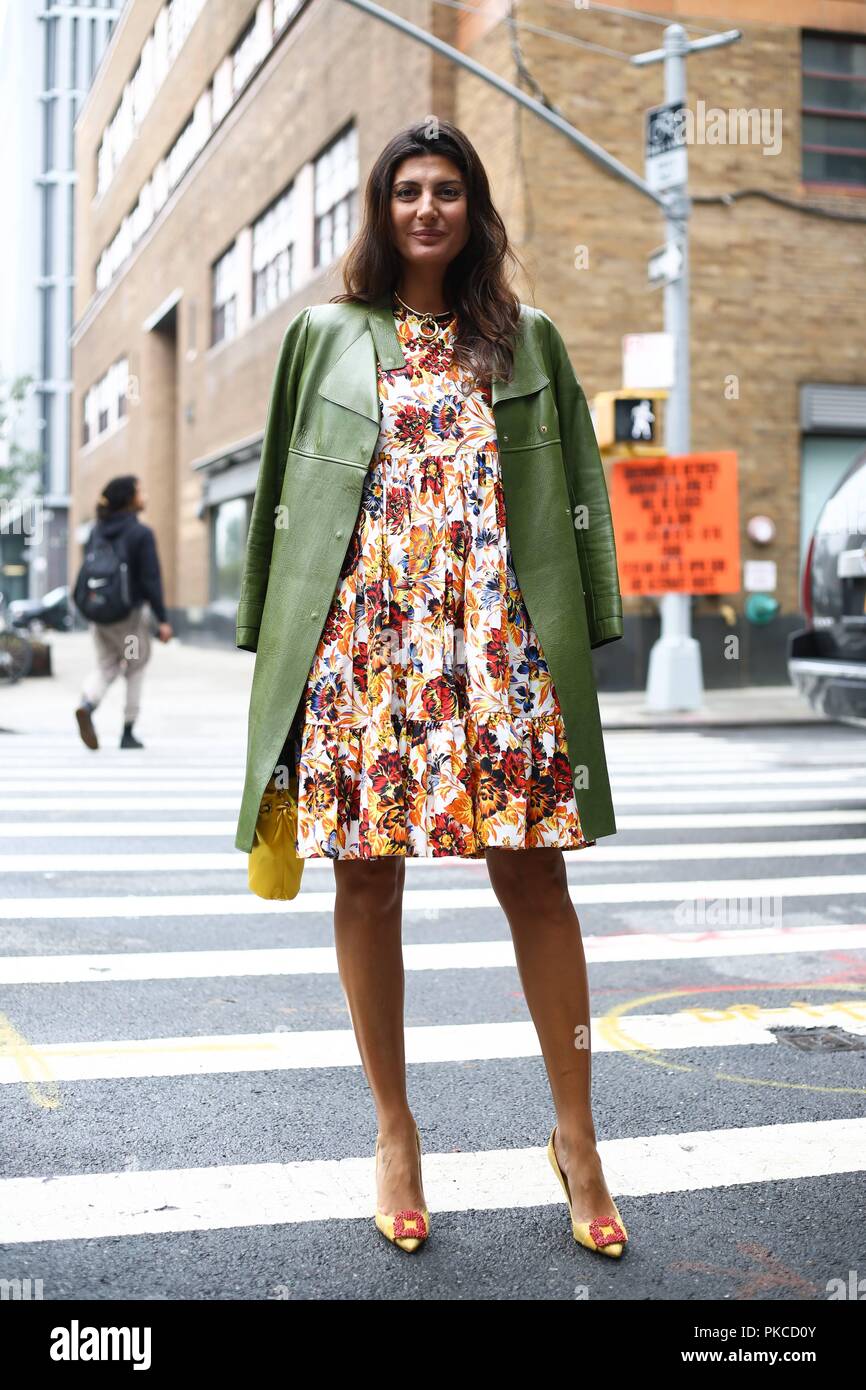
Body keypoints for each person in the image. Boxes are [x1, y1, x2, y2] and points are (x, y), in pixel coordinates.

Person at [237, 121, 627, 1256]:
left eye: (445, 189)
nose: (424, 208)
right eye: (405, 189)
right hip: (364, 649)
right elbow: (277, 497)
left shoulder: (528, 339)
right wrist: (278, 655)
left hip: (498, 645)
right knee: (365, 887)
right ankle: (395, 1132)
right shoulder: (322, 337)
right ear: (379, 208)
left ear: (473, 208)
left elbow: (579, 498)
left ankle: (577, 1136)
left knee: (537, 884)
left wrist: (588, 631)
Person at [74, 475, 173, 750]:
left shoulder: (97, 530)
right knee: (135, 667)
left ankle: (87, 704)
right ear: (129, 498)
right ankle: (128, 732)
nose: (146, 495)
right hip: (128, 618)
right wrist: (163, 619)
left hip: (99, 615)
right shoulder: (140, 533)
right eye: (140, 491)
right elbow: (151, 579)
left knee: (106, 666)